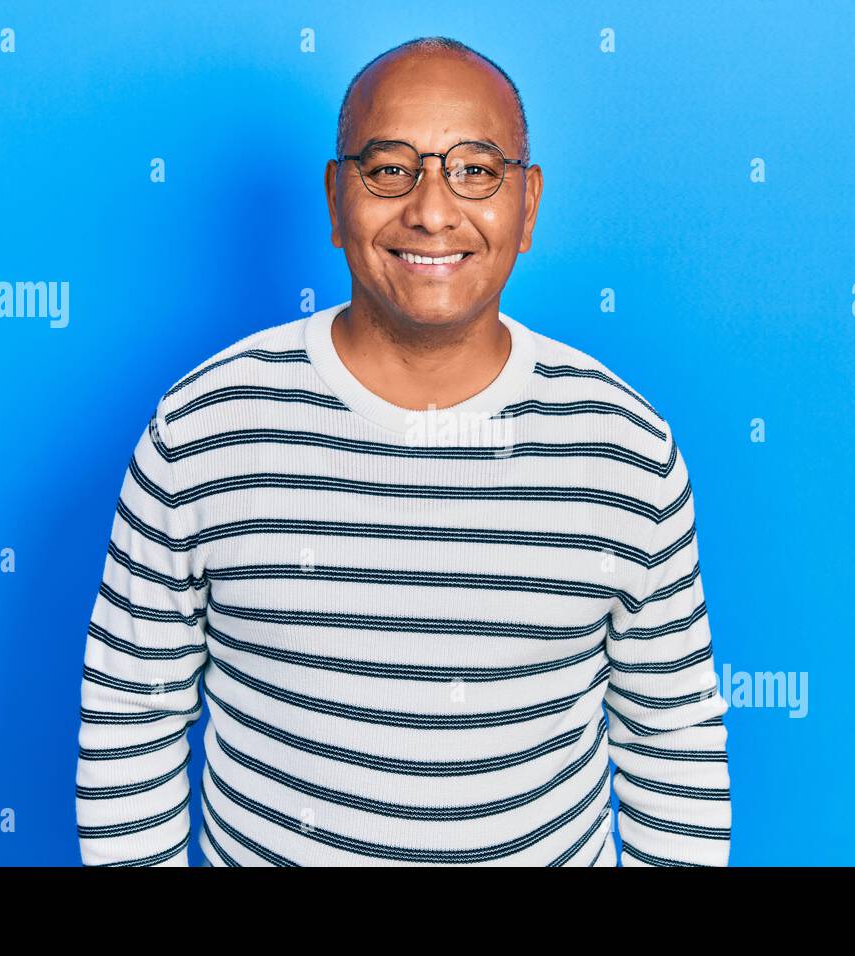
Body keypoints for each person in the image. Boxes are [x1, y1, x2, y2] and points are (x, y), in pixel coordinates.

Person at [75, 35, 731, 867]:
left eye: (476, 169)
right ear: (335, 198)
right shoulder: (204, 428)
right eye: (390, 169)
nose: (431, 208)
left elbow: (672, 731)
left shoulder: (624, 449)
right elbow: (132, 713)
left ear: (527, 206)